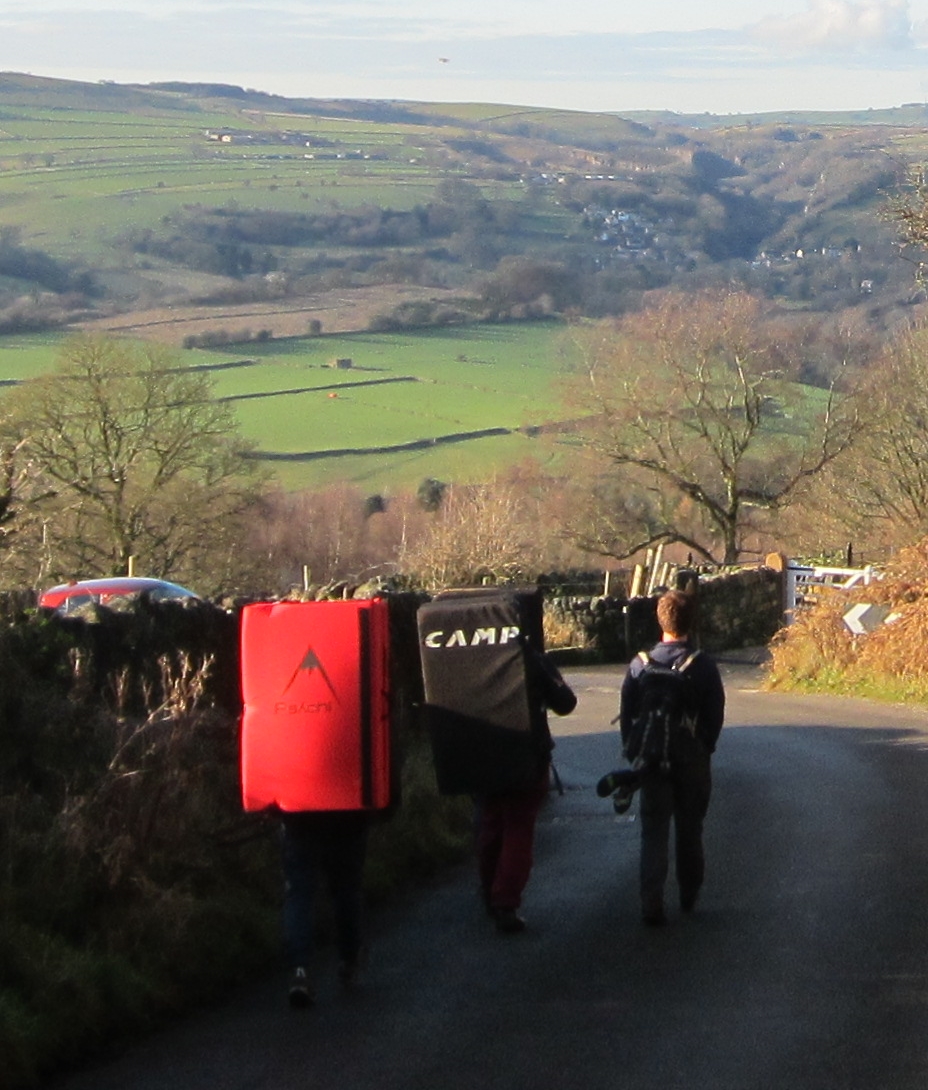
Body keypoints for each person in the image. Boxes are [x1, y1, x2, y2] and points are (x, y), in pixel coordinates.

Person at [617, 588, 725, 926]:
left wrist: (636, 752)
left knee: (653, 831)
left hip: (652, 759)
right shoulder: (703, 666)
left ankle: (651, 902)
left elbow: (627, 715)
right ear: (692, 621)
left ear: (659, 619)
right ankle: (689, 894)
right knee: (690, 829)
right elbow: (714, 717)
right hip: (690, 759)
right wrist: (703, 747)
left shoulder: (640, 665)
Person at [476, 648, 577, 934]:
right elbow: (565, 702)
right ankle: (505, 901)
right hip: (526, 755)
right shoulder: (529, 654)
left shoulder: (468, 652)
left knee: (491, 822)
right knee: (518, 829)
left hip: (480, 753)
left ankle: (488, 893)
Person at [280, 809, 371, 1007]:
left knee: (299, 891)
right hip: (347, 810)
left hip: (298, 809)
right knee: (346, 887)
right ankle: (350, 959)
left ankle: (299, 971)